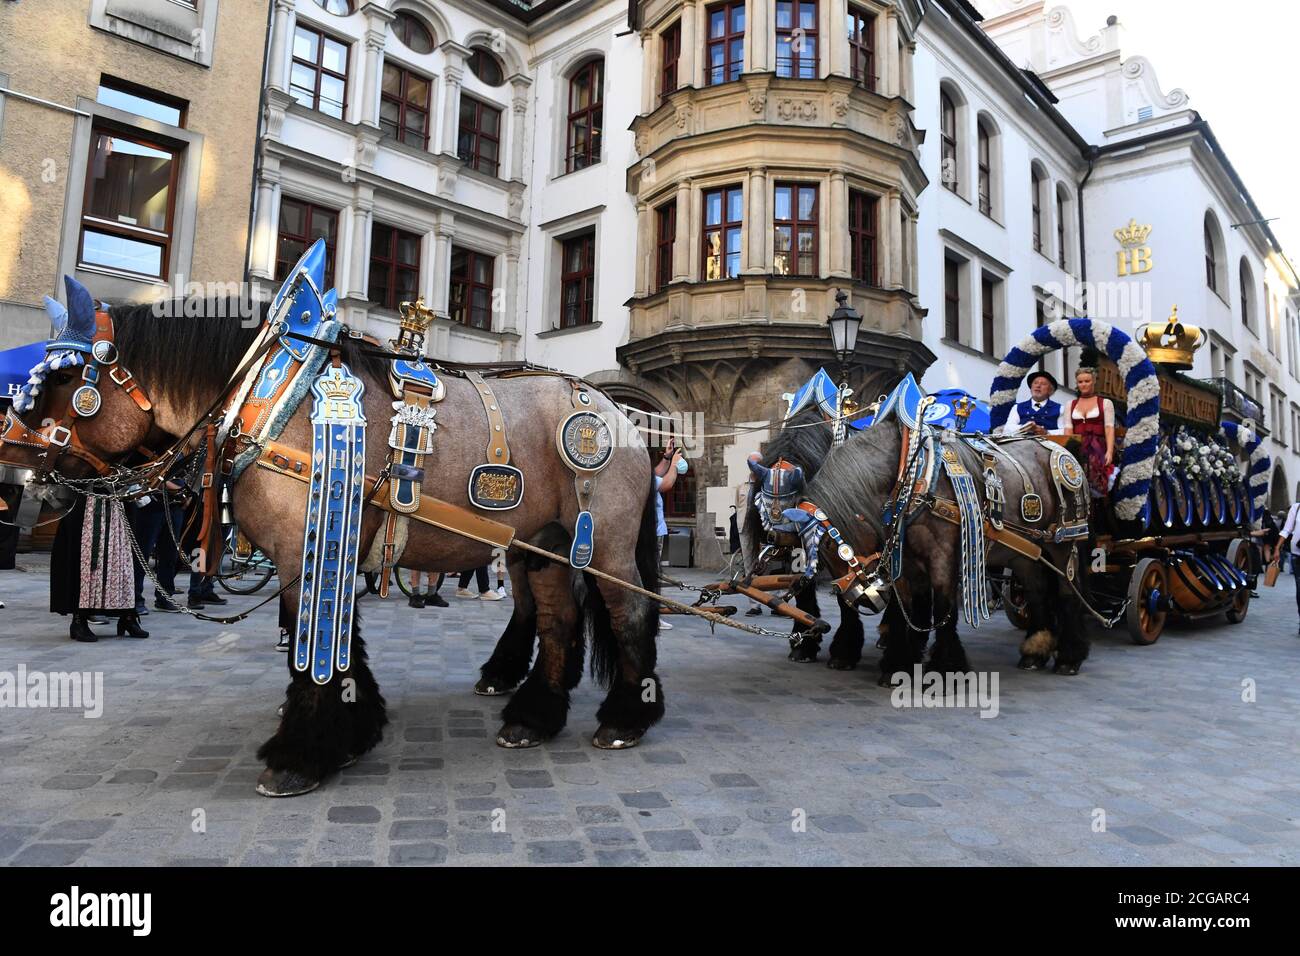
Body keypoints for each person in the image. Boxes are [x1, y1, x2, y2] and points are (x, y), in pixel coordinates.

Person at [51, 495, 148, 642]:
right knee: (86, 561)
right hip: (88, 503)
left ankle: (127, 616)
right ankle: (79, 620)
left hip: (120, 502)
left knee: (122, 560)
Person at [1063, 366, 1116, 498]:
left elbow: (1109, 428)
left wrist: (1109, 451)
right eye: (1080, 382)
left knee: (1095, 467)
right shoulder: (1070, 404)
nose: (1083, 384)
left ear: (1094, 381)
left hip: (1098, 446)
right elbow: (1068, 429)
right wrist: (1067, 452)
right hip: (1078, 445)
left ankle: (1097, 504)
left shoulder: (1105, 403)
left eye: (1087, 381)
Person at [653, 439, 685, 630]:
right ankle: (652, 617)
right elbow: (665, 484)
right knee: (652, 574)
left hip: (652, 531)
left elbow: (655, 475)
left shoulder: (638, 473)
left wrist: (666, 457)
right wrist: (673, 463)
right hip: (651, 532)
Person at [1004, 370, 1063, 435]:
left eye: (1043, 384)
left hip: (1047, 443)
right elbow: (1007, 429)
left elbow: (1065, 431)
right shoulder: (1017, 407)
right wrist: (1024, 428)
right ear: (1031, 387)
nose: (1038, 386)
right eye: (1035, 383)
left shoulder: (1060, 409)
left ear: (1050, 390)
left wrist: (1047, 432)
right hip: (1022, 443)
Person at [1277, 502, 1300, 635]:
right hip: (1297, 555)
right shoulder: (1296, 508)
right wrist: (1277, 547)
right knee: (1299, 590)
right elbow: (1287, 530)